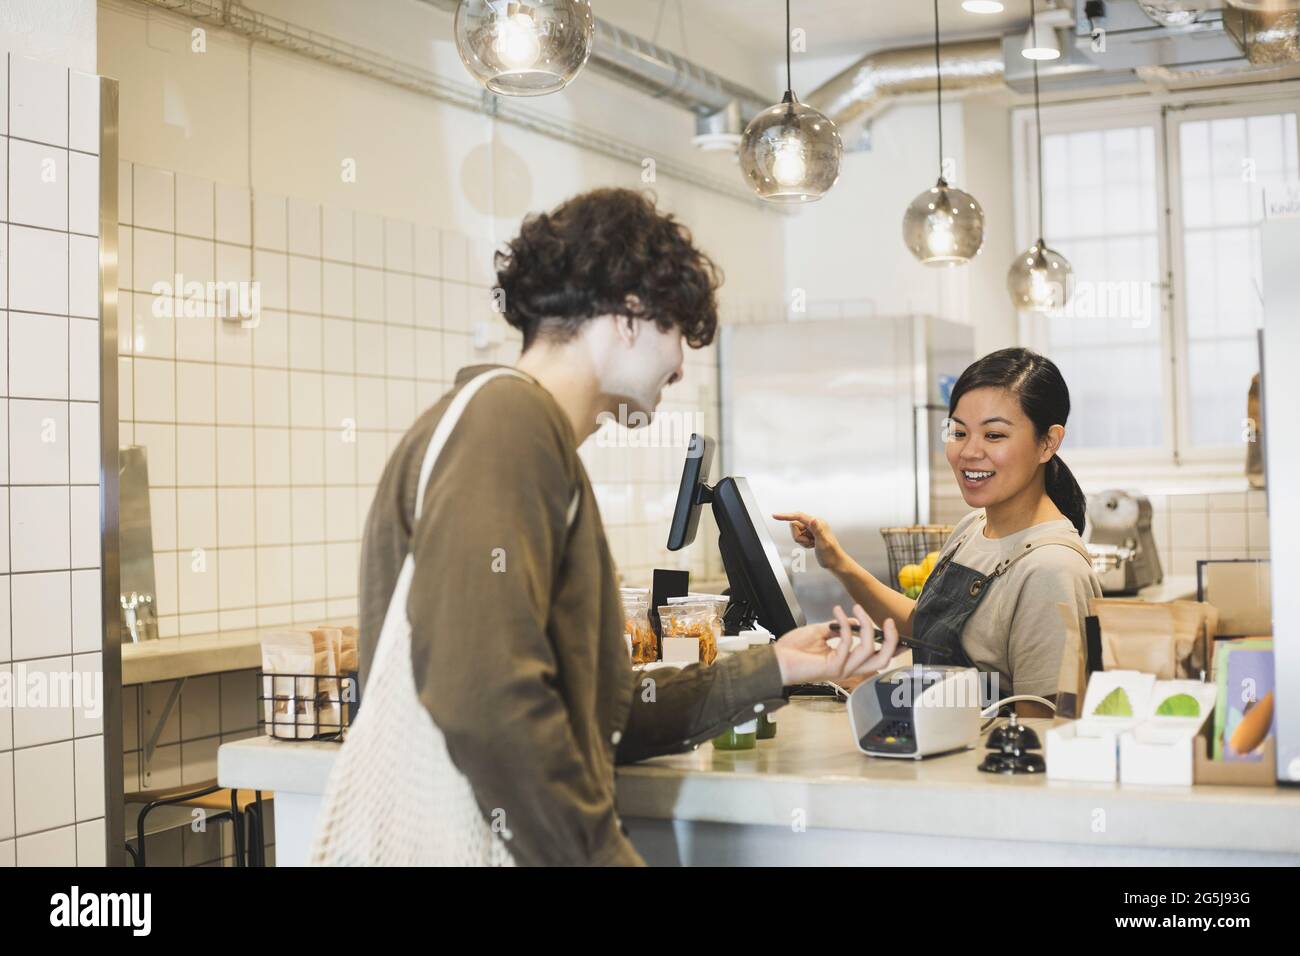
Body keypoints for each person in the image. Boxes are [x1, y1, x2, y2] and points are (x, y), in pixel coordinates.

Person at [356, 188, 898, 866]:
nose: (682, 363)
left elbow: (600, 715)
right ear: (630, 312)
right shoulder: (507, 427)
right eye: (679, 332)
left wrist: (778, 666)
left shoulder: (523, 434)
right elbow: (487, 699)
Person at [776, 348, 1101, 716]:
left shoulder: (1051, 568)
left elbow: (1041, 725)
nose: (969, 451)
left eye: (994, 435)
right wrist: (837, 562)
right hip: (935, 756)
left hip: (974, 771)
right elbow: (923, 625)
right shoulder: (972, 528)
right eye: (959, 432)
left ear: (1048, 442)